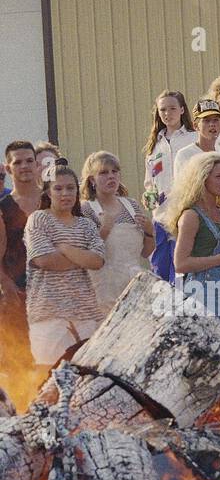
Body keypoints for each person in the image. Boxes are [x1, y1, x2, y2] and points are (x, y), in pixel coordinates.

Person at [22, 165, 106, 366]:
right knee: (48, 378)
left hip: (86, 315)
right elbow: (45, 260)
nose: (65, 193)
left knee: (85, 378)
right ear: (48, 192)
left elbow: (98, 261)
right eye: (58, 188)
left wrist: (65, 248)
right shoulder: (38, 220)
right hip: (49, 316)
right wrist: (81, 257)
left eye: (70, 188)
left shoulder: (86, 225)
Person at [167, 153, 220, 338]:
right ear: (202, 178)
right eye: (218, 176)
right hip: (201, 293)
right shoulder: (191, 216)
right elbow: (181, 263)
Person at [80, 151, 153, 314]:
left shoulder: (131, 206)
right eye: (104, 173)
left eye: (115, 171)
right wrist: (104, 229)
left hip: (134, 288)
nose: (111, 177)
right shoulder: (86, 210)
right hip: (103, 292)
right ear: (92, 180)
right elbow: (85, 254)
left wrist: (150, 232)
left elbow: (146, 252)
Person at [141, 90, 197, 282]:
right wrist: (149, 197)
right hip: (162, 217)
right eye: (162, 109)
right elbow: (149, 183)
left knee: (182, 273)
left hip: (187, 215)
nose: (167, 113)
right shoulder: (154, 146)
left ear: (182, 110)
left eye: (172, 108)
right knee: (161, 272)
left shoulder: (194, 138)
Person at [0, 141, 42, 380]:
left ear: (37, 165)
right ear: (8, 168)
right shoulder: (3, 208)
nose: (24, 166)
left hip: (53, 294)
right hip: (16, 295)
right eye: (18, 162)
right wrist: (6, 284)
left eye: (29, 161)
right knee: (19, 364)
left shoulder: (53, 200)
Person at [175, 98, 220, 178]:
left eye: (216, 120)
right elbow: (181, 187)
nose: (212, 124)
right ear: (196, 126)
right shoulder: (185, 155)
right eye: (206, 120)